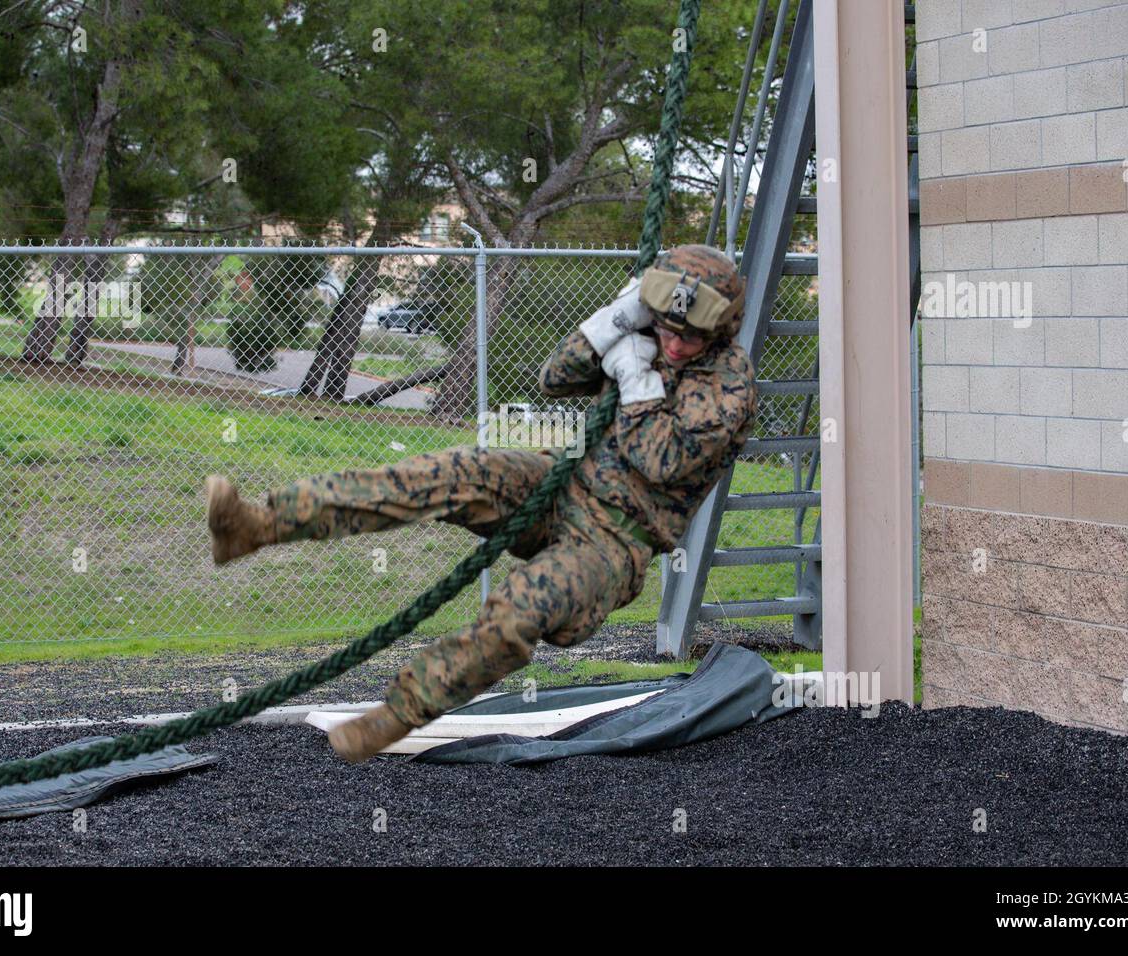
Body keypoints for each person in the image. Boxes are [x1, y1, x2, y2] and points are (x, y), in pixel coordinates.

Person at [204, 243, 758, 762]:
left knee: (522, 605)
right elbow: (557, 378)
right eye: (666, 326)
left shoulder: (729, 386)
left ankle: (395, 715)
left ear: (720, 328)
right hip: (561, 487)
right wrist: (614, 320)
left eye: (690, 336)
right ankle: (257, 525)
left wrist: (636, 373)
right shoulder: (648, 331)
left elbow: (658, 460)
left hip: (615, 541)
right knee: (452, 472)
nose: (676, 344)